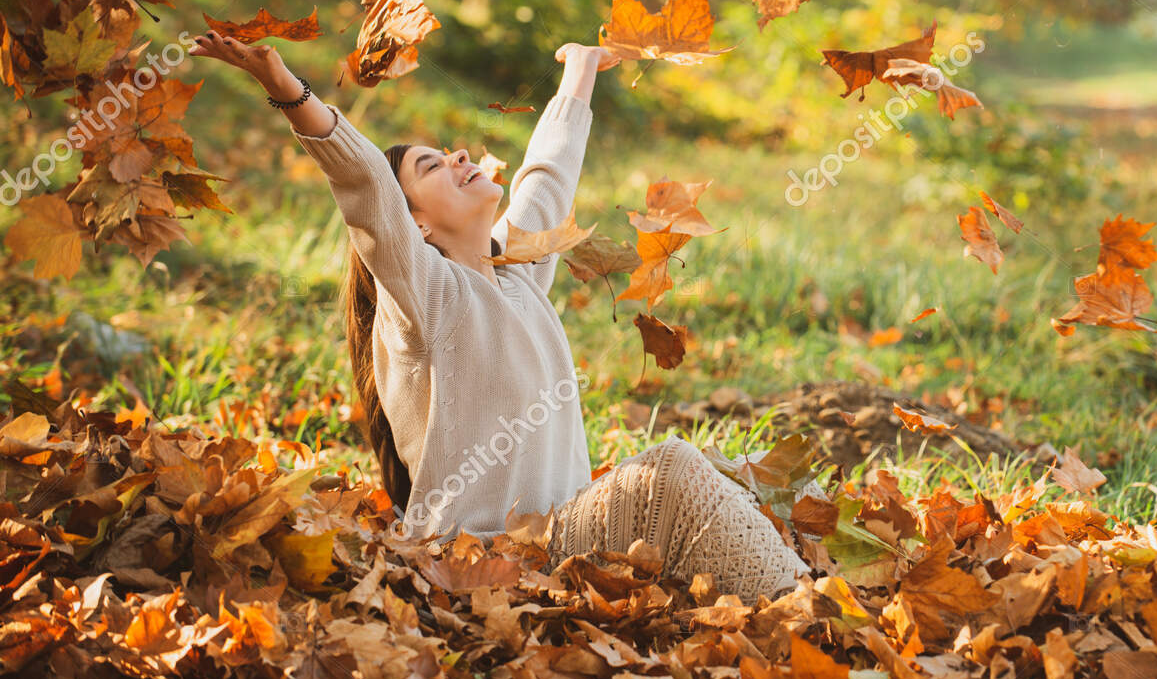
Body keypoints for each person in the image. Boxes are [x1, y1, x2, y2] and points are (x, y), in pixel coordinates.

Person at [185, 29, 810, 602]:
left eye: (448, 154)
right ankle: (809, 609)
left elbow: (547, 179)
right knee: (669, 470)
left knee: (748, 475)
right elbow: (367, 184)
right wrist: (286, 88)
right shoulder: (425, 299)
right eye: (432, 166)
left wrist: (581, 68)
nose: (458, 156)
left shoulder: (517, 273)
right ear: (414, 225)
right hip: (486, 558)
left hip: (566, 537)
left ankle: (796, 596)